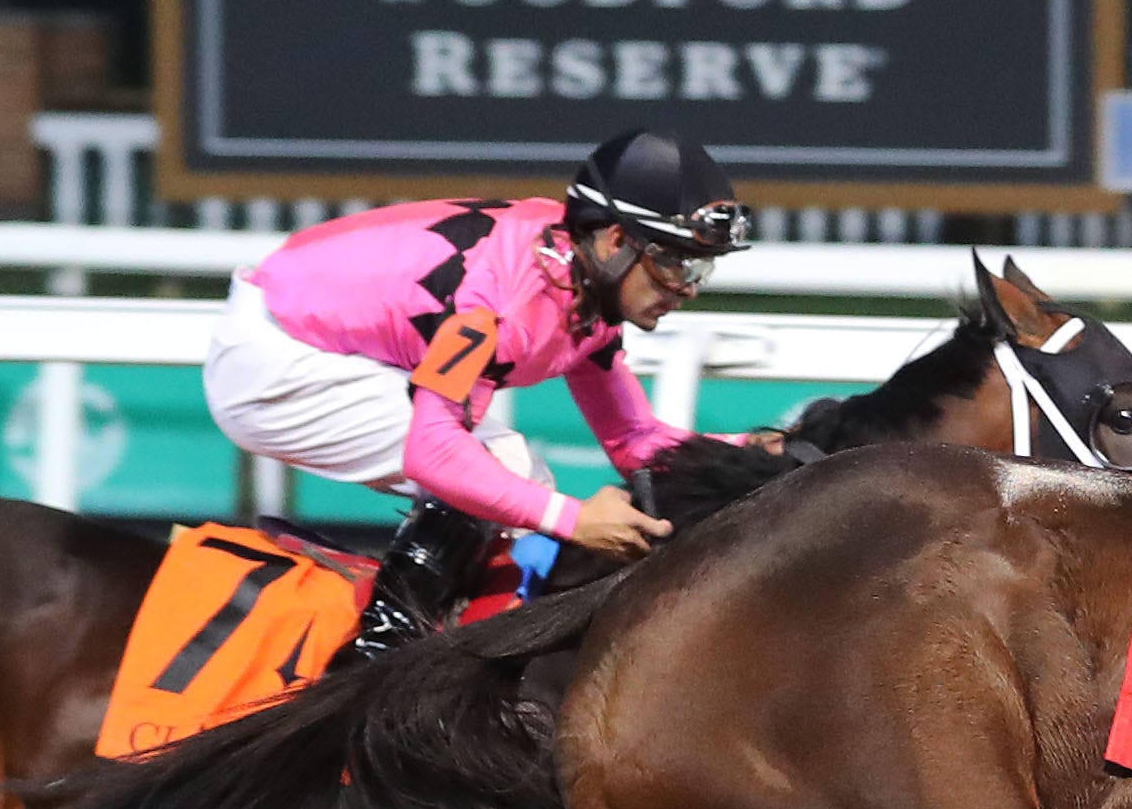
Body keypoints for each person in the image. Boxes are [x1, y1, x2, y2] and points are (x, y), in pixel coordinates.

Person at [199, 127, 755, 659]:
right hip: (271, 359)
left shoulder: (585, 281)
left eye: (699, 267)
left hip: (321, 336)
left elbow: (635, 440)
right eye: (674, 260)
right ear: (615, 240)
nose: (685, 288)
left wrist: (753, 452)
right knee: (503, 469)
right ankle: (374, 665)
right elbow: (432, 451)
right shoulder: (504, 301)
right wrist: (572, 519)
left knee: (515, 479)